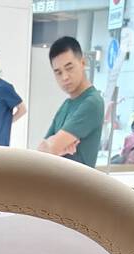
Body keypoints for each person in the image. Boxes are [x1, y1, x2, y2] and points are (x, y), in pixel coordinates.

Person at [37, 36, 105, 166]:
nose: (65, 77)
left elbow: (50, 148)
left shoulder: (92, 103)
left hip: (76, 185)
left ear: (83, 63)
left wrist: (54, 148)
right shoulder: (66, 105)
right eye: (58, 72)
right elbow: (41, 152)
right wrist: (54, 147)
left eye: (69, 68)